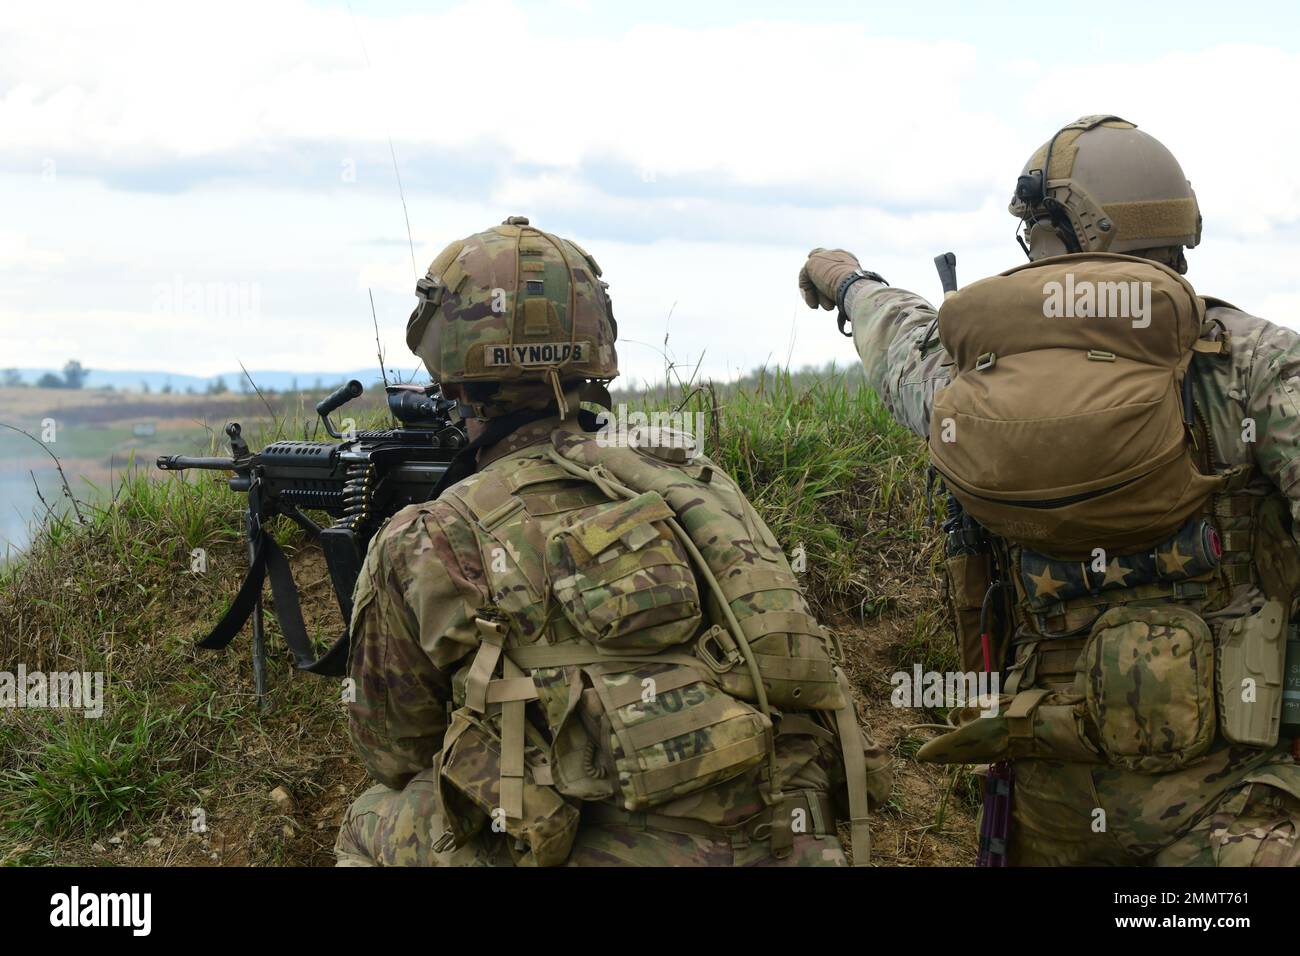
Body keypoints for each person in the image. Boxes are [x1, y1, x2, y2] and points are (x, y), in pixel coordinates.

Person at [799, 116, 1300, 866]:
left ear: (1053, 241)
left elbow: (897, 338)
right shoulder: (1252, 364)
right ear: (1176, 229)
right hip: (1244, 812)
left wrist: (845, 280)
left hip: (1052, 805)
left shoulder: (968, 381)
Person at [336, 216, 891, 866]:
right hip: (793, 836)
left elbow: (394, 747)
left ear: (452, 377)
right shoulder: (693, 480)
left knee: (370, 815)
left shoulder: (429, 535)